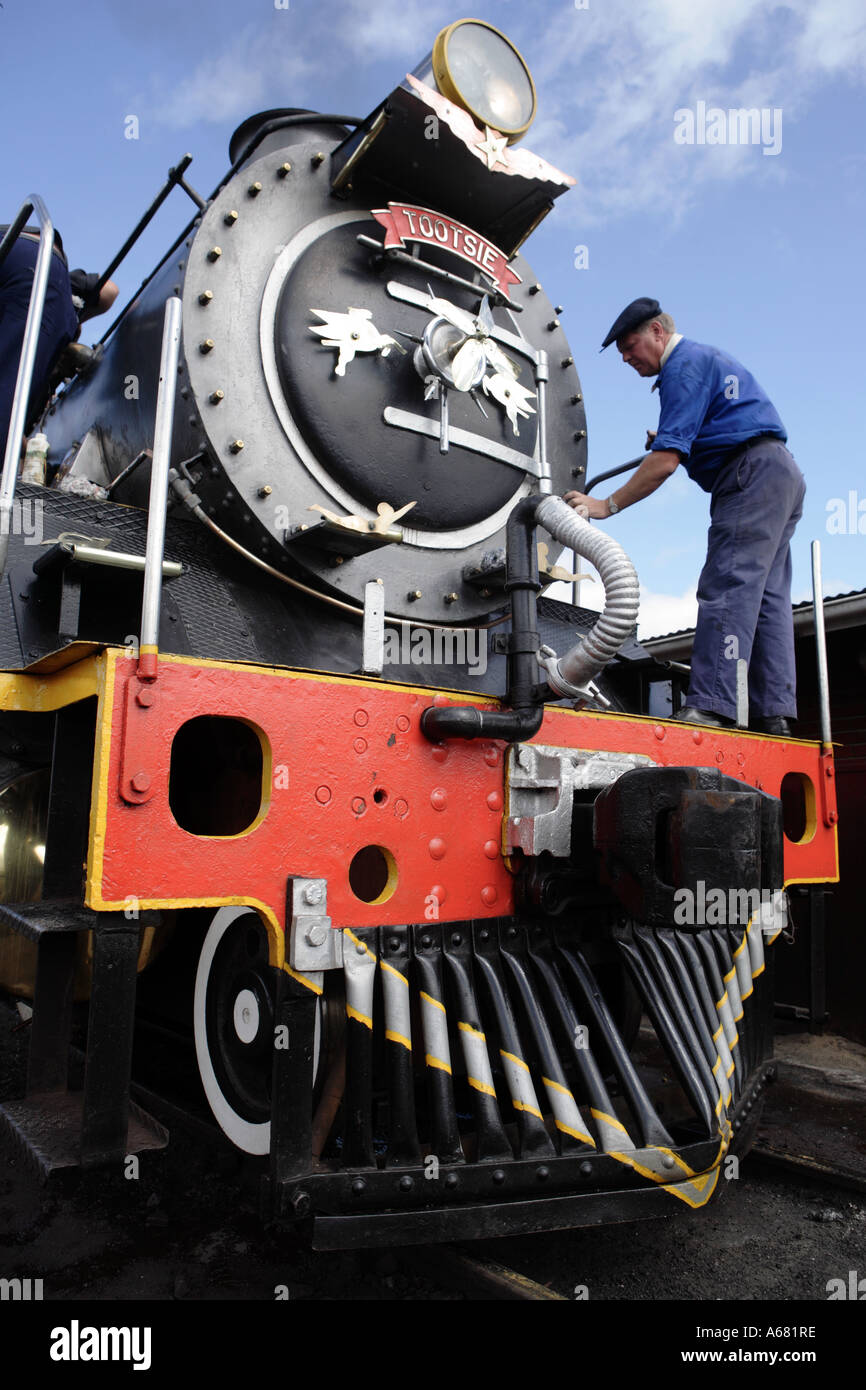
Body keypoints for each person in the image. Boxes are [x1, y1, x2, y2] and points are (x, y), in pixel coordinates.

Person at [564, 297, 805, 735]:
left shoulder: (683, 366)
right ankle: (775, 715)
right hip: (780, 474)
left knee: (728, 586)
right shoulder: (702, 362)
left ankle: (711, 705)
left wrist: (605, 504)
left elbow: (664, 463)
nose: (625, 356)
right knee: (766, 600)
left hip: (749, 475)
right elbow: (716, 428)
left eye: (631, 344)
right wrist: (676, 439)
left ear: (658, 332)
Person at [0, 223, 118, 457]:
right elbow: (110, 291)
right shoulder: (62, 288)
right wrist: (74, 320)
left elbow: (109, 291)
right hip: (37, 254)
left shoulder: (62, 289)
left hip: (17, 247)